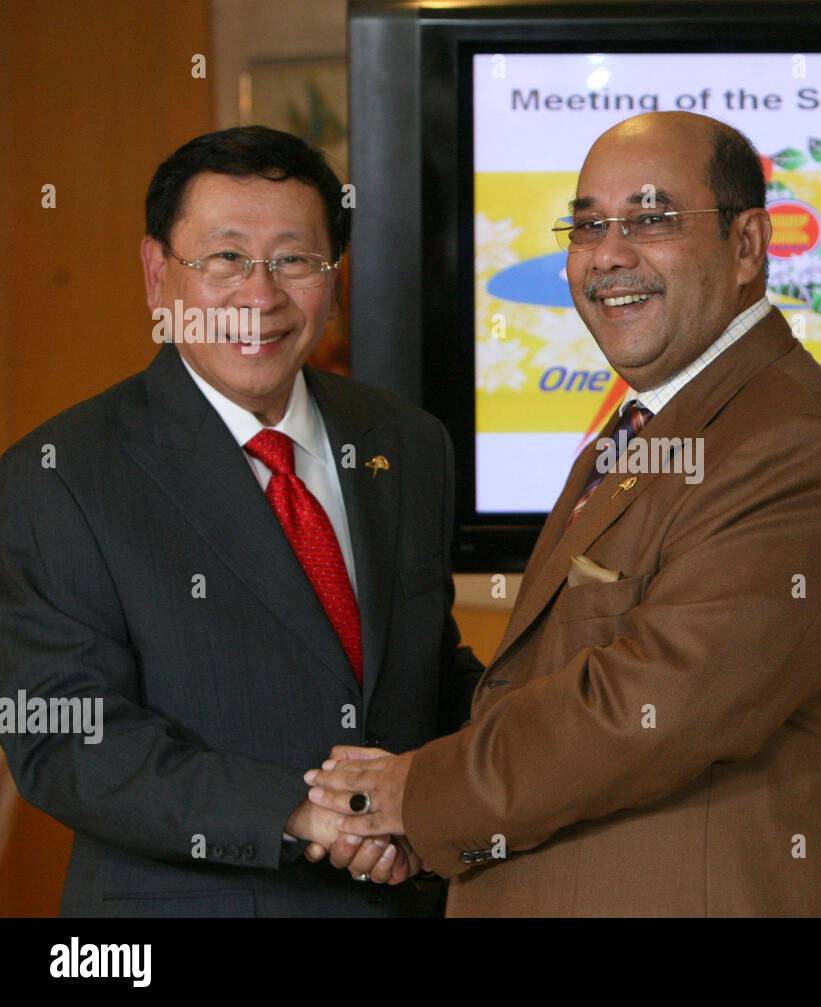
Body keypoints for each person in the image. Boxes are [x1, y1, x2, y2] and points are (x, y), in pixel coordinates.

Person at [306, 111, 821, 916]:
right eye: (587, 225)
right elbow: (540, 691)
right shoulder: (637, 433)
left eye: (652, 219)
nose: (608, 254)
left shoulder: (795, 445)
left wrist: (417, 795)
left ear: (749, 245)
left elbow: (648, 710)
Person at [0, 126, 482, 916]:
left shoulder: (407, 442)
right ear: (158, 276)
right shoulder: (61, 475)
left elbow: (427, 665)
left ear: (334, 276)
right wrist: (300, 814)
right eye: (224, 259)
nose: (260, 297)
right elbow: (65, 737)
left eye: (295, 260)